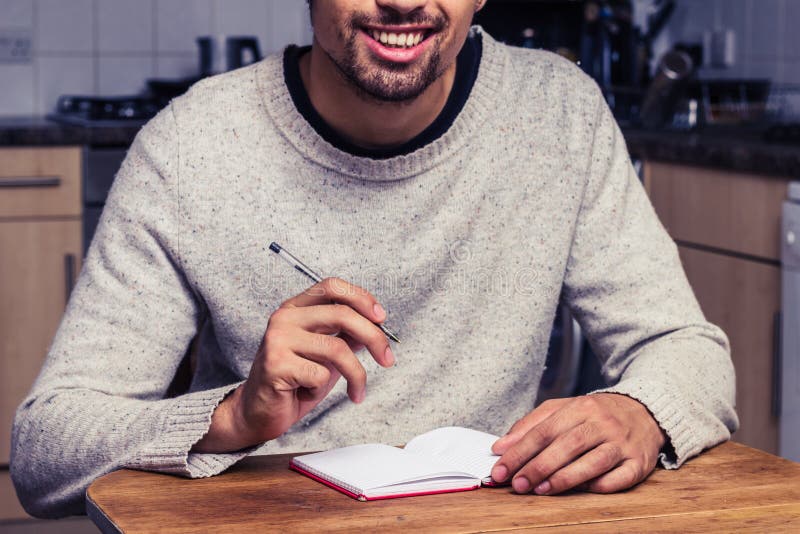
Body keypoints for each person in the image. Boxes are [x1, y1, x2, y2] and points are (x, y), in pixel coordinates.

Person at [11, 0, 738, 518]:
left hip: (496, 517)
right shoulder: (191, 145)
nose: (403, 2)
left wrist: (640, 411)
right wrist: (234, 417)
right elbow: (46, 453)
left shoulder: (560, 113)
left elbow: (685, 346)